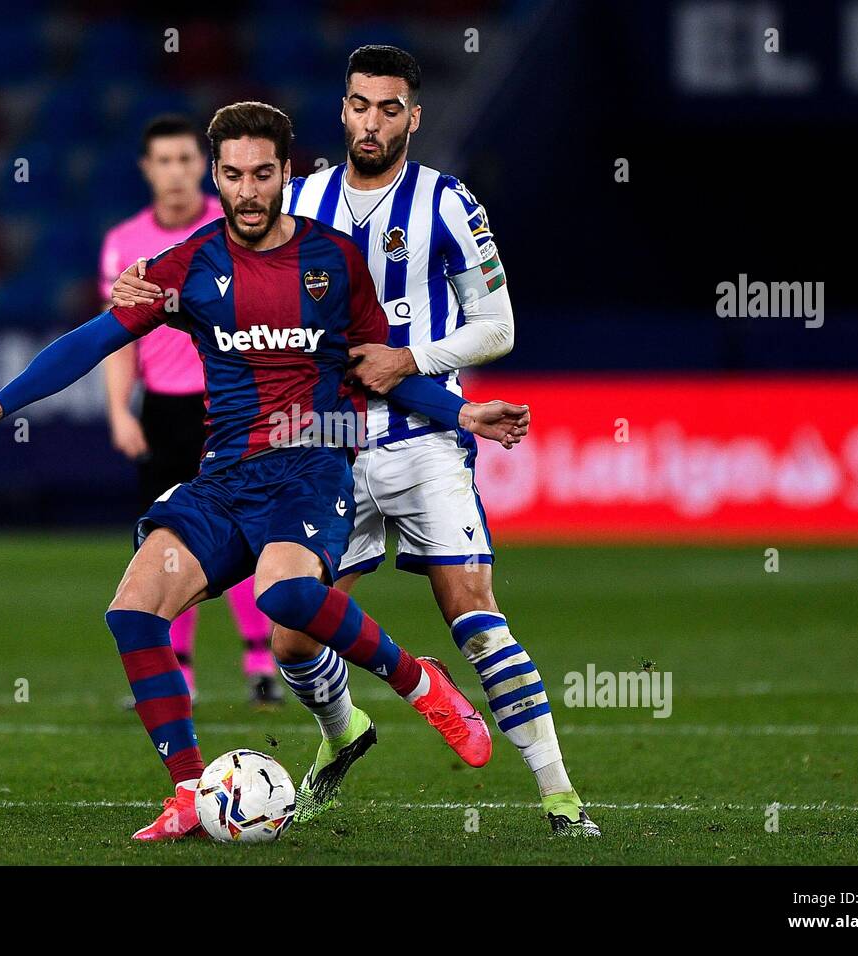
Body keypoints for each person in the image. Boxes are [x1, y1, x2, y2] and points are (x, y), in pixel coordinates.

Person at [0, 101, 532, 841]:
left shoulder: (333, 260)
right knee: (133, 609)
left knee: (285, 593)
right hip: (225, 475)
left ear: (284, 173)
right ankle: (186, 793)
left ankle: (420, 681)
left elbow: (384, 371)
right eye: (233, 174)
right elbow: (93, 339)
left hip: (312, 468)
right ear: (217, 174)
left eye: (262, 174)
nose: (247, 190)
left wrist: (461, 415)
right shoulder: (193, 264)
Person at [110, 48, 599, 836]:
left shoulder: (448, 202)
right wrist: (146, 278)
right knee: (292, 629)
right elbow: (214, 261)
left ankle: (558, 794)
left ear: (414, 115)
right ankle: (344, 734)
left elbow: (500, 326)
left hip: (422, 438)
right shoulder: (297, 196)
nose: (374, 122)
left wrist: (418, 362)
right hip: (324, 446)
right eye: (361, 106)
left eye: (391, 108)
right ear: (342, 111)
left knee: (470, 608)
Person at [100, 114, 279, 707]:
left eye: (185, 159)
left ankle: (261, 664)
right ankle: (179, 672)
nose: (176, 172)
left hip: (226, 409)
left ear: (201, 167)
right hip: (162, 411)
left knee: (240, 530)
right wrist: (121, 412)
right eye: (164, 161)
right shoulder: (124, 242)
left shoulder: (228, 227)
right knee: (169, 538)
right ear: (147, 170)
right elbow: (117, 337)